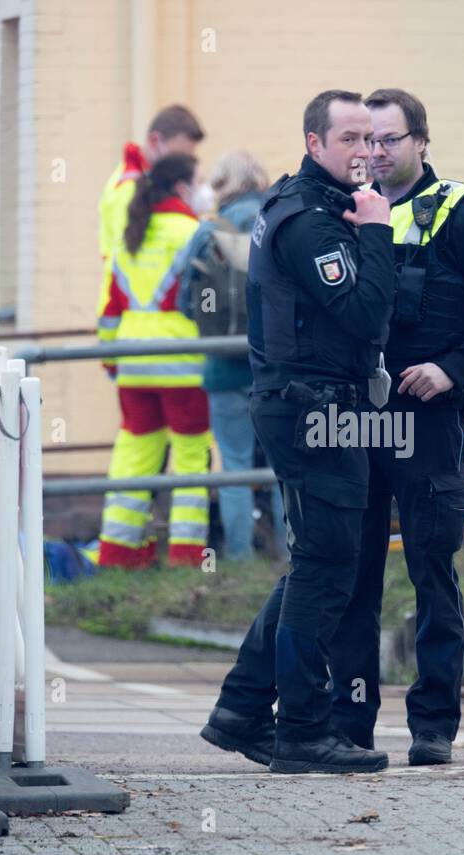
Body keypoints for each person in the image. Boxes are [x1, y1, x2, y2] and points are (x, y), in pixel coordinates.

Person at [325, 88, 464, 765]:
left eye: (390, 140)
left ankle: (433, 726)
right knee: (353, 575)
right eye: (366, 141)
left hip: (429, 419)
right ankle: (349, 726)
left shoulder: (461, 215)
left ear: (421, 142)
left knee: (432, 573)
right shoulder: (342, 207)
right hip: (357, 418)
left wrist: (452, 368)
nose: (376, 153)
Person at [200, 90, 394, 774]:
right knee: (326, 570)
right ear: (315, 144)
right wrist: (377, 230)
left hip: (316, 405)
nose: (366, 151)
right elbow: (365, 315)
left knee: (318, 563)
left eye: (372, 139)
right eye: (350, 139)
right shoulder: (311, 219)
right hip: (315, 410)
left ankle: (244, 709)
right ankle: (304, 731)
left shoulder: (305, 202)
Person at [96, 154, 211, 569]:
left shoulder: (129, 235)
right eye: (199, 180)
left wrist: (111, 359)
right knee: (191, 458)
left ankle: (117, 552)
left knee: (133, 455)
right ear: (182, 186)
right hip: (184, 363)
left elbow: (109, 308)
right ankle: (186, 554)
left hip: (132, 364)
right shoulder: (194, 232)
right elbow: (209, 303)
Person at [177, 150, 287, 561]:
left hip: (223, 364)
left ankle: (239, 562)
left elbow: (184, 300)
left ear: (223, 185)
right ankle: (294, 561)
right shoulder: (281, 220)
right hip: (276, 365)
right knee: (284, 469)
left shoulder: (209, 231)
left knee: (235, 467)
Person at [98, 105, 205, 260]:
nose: (184, 165)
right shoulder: (128, 189)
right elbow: (129, 255)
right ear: (155, 141)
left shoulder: (149, 183)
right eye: (178, 156)